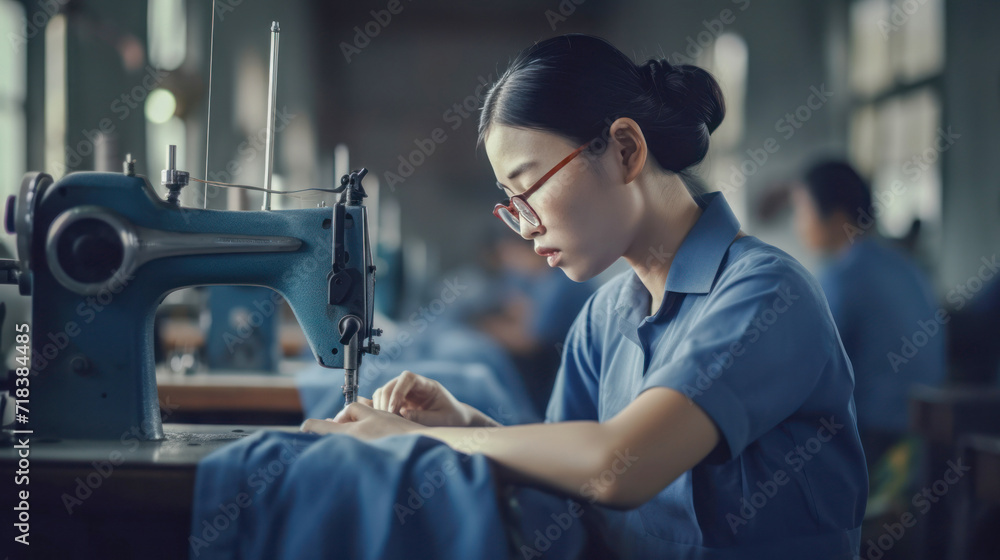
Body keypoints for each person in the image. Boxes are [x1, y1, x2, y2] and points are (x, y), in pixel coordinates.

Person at [302, 34, 867, 558]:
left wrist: (425, 444)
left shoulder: (767, 292)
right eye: (510, 203)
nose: (523, 228)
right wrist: (462, 424)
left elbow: (618, 465)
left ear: (624, 149)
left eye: (529, 188)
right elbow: (569, 479)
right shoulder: (606, 316)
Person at [790, 160, 946, 469]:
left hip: (876, 438)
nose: (798, 225)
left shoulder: (841, 277)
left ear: (834, 218)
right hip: (925, 439)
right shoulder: (906, 266)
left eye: (801, 211)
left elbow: (805, 368)